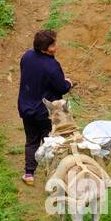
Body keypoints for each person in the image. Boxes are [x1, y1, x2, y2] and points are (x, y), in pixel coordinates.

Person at [17, 29, 72, 185]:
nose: (56, 46)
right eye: (53, 44)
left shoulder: (26, 57)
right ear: (46, 48)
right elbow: (62, 88)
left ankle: (29, 174)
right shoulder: (52, 65)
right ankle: (53, 176)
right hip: (45, 112)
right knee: (51, 143)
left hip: (26, 107)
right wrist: (68, 82)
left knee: (31, 141)